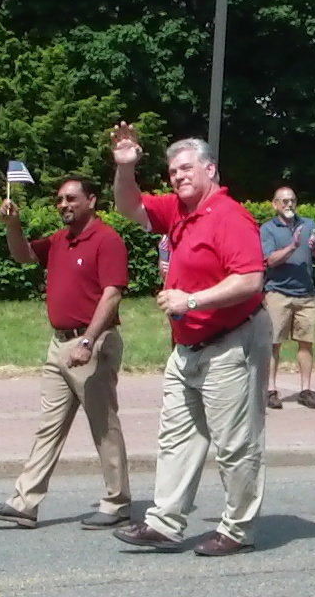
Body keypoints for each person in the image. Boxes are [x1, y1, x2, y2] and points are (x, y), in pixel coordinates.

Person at [110, 127, 270, 557]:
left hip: (231, 342)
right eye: (172, 171)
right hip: (188, 347)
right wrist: (126, 168)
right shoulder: (180, 211)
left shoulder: (229, 215)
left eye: (186, 168)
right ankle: (165, 522)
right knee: (176, 437)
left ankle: (238, 529)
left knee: (235, 443)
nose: (178, 177)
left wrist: (191, 299)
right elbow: (128, 206)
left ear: (210, 169)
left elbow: (252, 279)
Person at [0, 178, 132, 530]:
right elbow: (24, 256)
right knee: (48, 427)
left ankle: (117, 502)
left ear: (92, 200)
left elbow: (111, 295)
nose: (64, 204)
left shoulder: (107, 240)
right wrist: (13, 225)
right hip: (58, 344)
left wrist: (88, 342)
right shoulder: (61, 239)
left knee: (103, 426)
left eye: (71, 198)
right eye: (60, 199)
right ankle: (24, 503)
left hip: (92, 344)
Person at [260, 186, 315, 411]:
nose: (289, 205)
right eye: (284, 201)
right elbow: (270, 260)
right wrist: (293, 246)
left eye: (292, 201)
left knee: (306, 343)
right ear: (275, 204)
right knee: (273, 344)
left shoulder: (308, 225)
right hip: (278, 293)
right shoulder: (268, 229)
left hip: (306, 295)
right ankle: (270, 391)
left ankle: (306, 390)